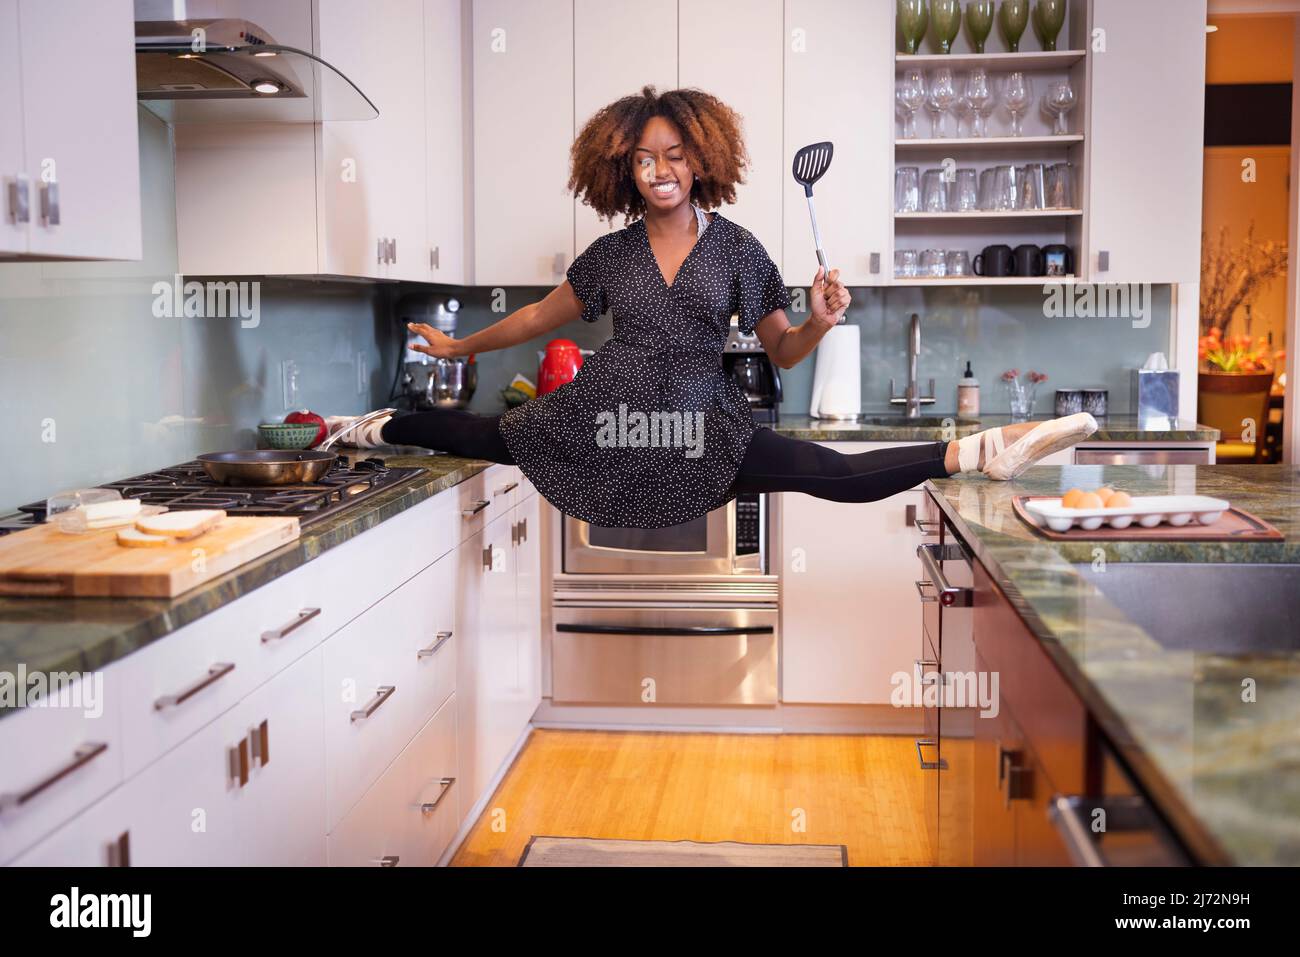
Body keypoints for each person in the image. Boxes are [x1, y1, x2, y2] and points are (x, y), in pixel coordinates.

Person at [345, 86, 1095, 529]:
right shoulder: (611, 254)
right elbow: (540, 317)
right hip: (612, 419)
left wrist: (818, 320)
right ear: (626, 169)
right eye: (645, 158)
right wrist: (456, 349)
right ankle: (370, 426)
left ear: (700, 160)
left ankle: (974, 453)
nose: (660, 169)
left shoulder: (739, 250)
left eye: (674, 155)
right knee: (487, 436)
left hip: (703, 425)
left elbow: (785, 351)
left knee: (824, 469)